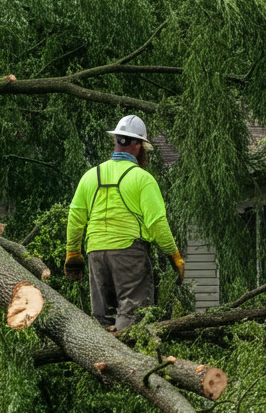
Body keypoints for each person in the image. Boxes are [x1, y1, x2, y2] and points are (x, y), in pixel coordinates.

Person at [64, 115, 184, 330]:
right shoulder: (142, 178)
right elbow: (157, 223)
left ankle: (104, 361)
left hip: (95, 252)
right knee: (133, 316)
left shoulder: (90, 176)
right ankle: (129, 362)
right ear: (139, 146)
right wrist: (173, 255)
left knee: (103, 318)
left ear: (116, 141)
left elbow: (75, 218)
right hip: (128, 254)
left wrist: (73, 252)